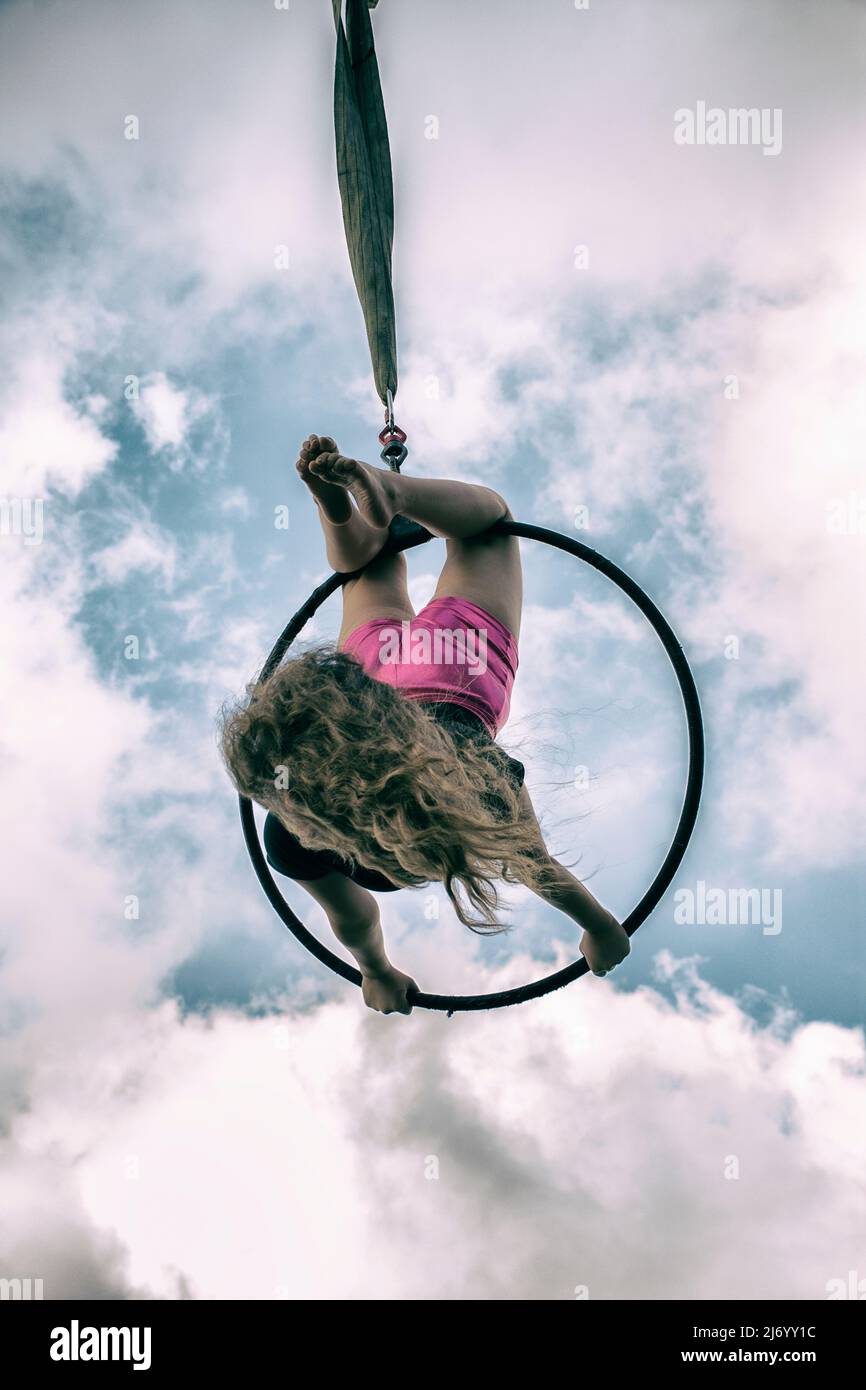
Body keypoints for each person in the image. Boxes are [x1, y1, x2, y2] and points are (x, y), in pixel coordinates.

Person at [220, 435, 630, 1015]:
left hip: (456, 670)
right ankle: (352, 508)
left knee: (487, 528)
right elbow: (361, 918)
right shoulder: (292, 828)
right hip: (369, 678)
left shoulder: (452, 795)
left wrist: (601, 928)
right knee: (371, 567)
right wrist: (377, 972)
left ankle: (381, 497)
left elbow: (529, 865)